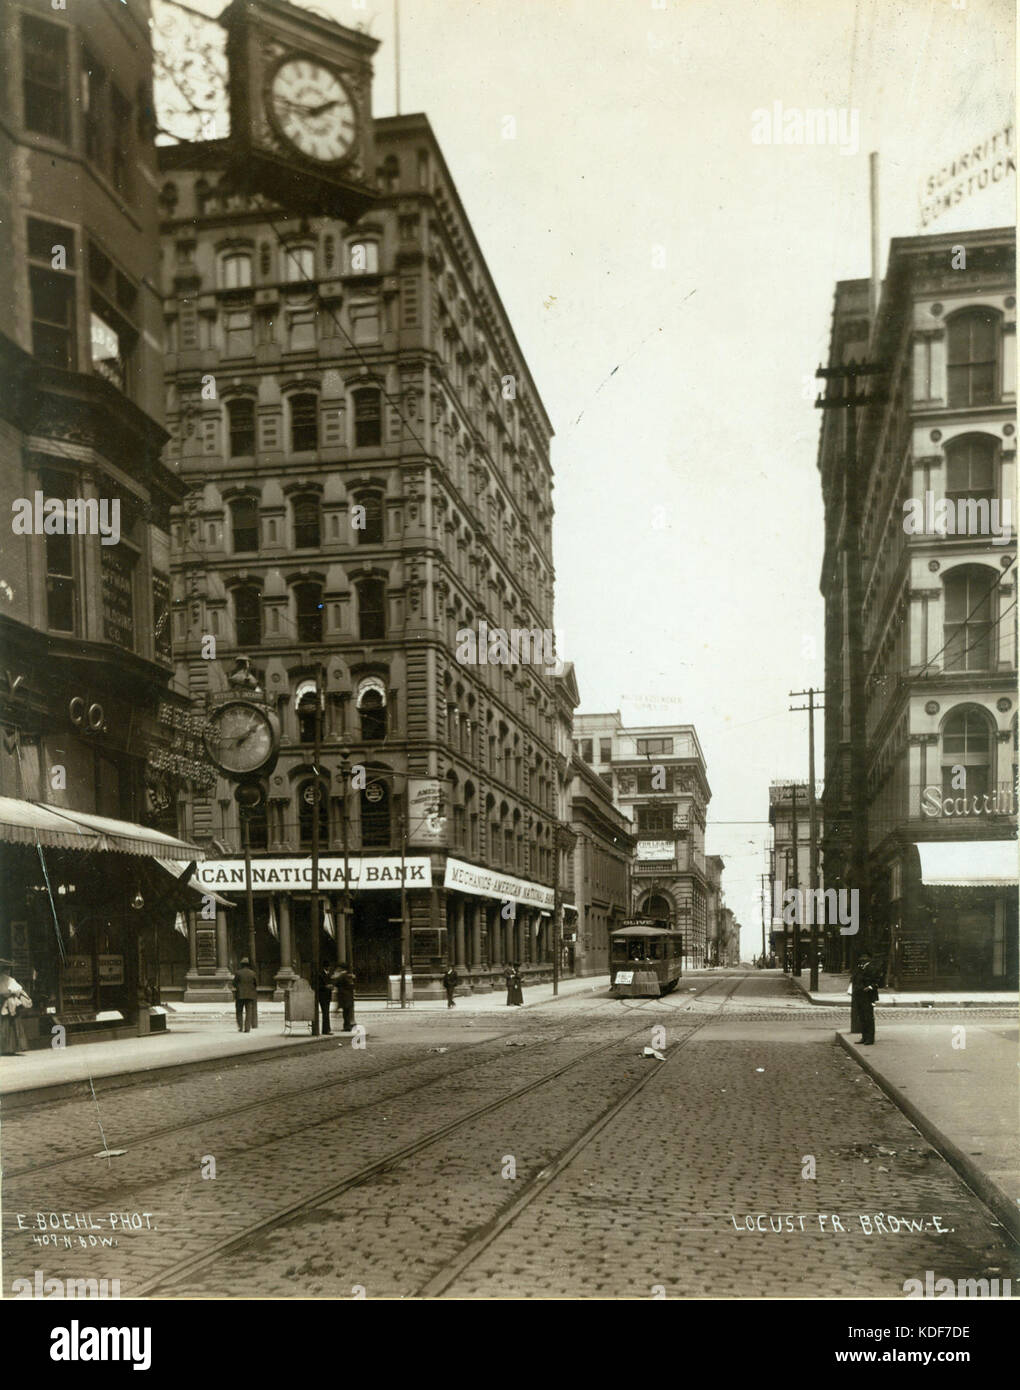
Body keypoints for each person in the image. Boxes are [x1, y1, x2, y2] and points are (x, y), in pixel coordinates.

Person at [0, 959, 31, 1055]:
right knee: (13, 1026)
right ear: (6, 970)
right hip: (9, 1004)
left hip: (2, 1004)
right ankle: (12, 1048)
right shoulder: (8, 979)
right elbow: (17, 990)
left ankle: (4, 1048)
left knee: (4, 1027)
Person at [850, 953, 880, 1045]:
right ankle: (864, 1037)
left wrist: (870, 987)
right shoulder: (859, 967)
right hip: (859, 994)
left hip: (868, 995)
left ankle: (870, 1038)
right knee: (862, 1016)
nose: (862, 959)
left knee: (868, 1017)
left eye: (864, 958)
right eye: (861, 958)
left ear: (868, 959)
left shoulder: (872, 967)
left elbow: (878, 980)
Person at [233, 957, 258, 1033]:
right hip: (250, 995)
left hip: (240, 995)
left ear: (241, 965)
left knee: (239, 1011)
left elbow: (234, 983)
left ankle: (240, 1027)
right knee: (249, 1012)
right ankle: (247, 1028)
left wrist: (238, 988)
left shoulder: (238, 973)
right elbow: (256, 984)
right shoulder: (252, 973)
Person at [334, 963, 356, 1032]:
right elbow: (351, 985)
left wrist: (335, 977)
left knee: (345, 1013)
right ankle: (347, 1026)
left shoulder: (342, 975)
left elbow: (336, 984)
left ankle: (347, 1027)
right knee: (347, 1012)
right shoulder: (347, 976)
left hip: (344, 997)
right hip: (348, 996)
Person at [316, 961, 334, 1035]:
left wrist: (331, 986)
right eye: (328, 966)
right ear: (325, 967)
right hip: (323, 996)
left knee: (326, 1013)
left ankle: (326, 1029)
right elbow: (318, 986)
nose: (329, 968)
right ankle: (326, 1030)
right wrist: (326, 987)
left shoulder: (328, 974)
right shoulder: (320, 974)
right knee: (325, 1013)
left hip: (327, 996)